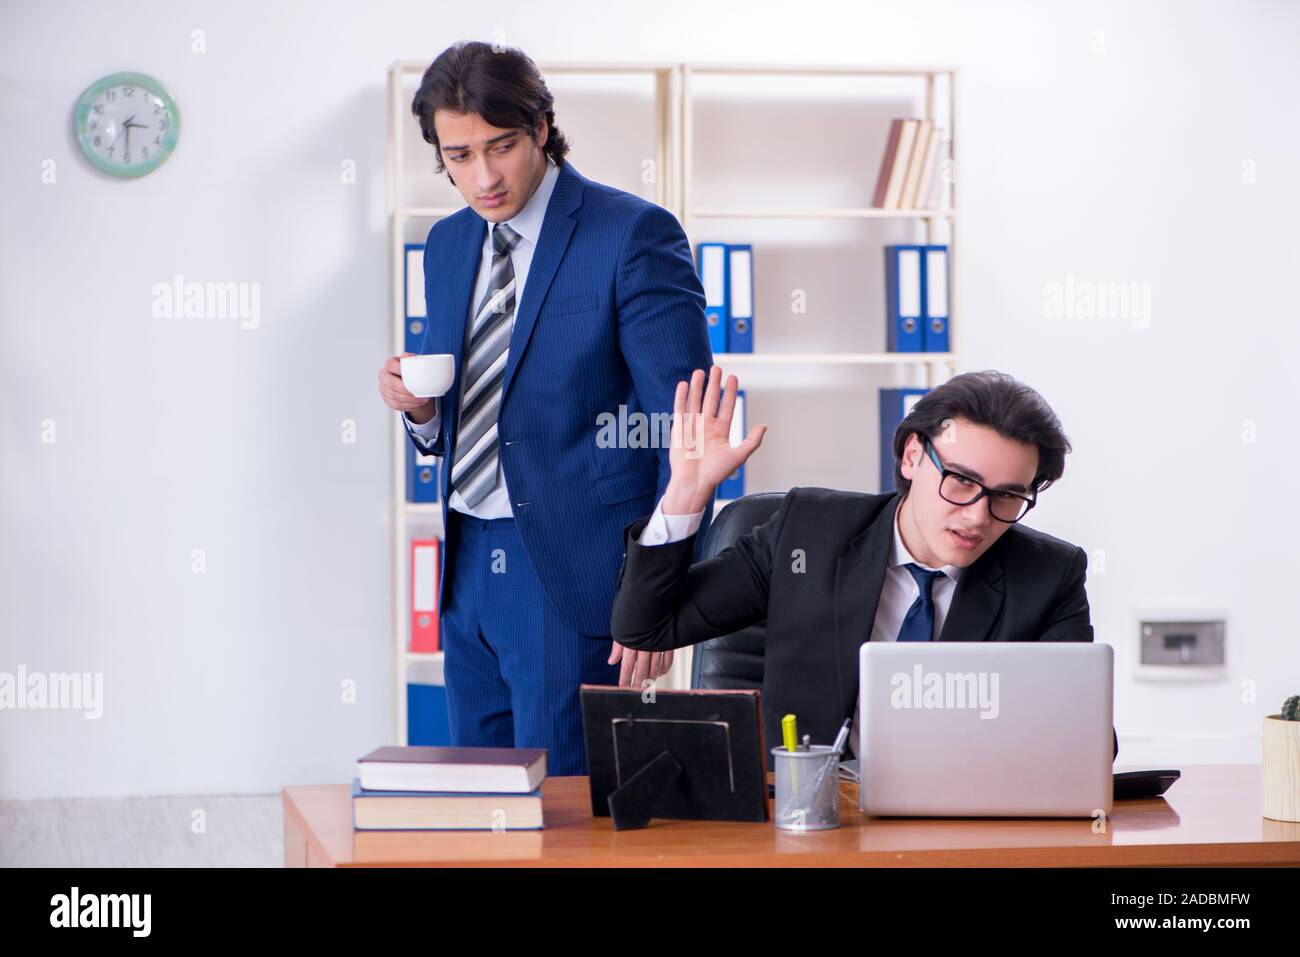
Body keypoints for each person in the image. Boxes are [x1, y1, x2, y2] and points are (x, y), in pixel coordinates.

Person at [377, 41, 713, 775]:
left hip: (575, 572)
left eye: (501, 146)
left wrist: (659, 597)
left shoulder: (632, 234)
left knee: (565, 816)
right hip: (466, 564)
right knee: (478, 801)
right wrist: (419, 410)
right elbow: (464, 409)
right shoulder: (445, 243)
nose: (484, 176)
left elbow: (685, 433)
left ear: (541, 127)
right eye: (459, 155)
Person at [610, 366, 1118, 761]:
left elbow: (1087, 739)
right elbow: (647, 627)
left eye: (1007, 496)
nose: (978, 516)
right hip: (811, 822)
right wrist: (687, 490)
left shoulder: (1049, 574)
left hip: (962, 826)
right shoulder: (807, 532)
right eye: (961, 480)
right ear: (912, 456)